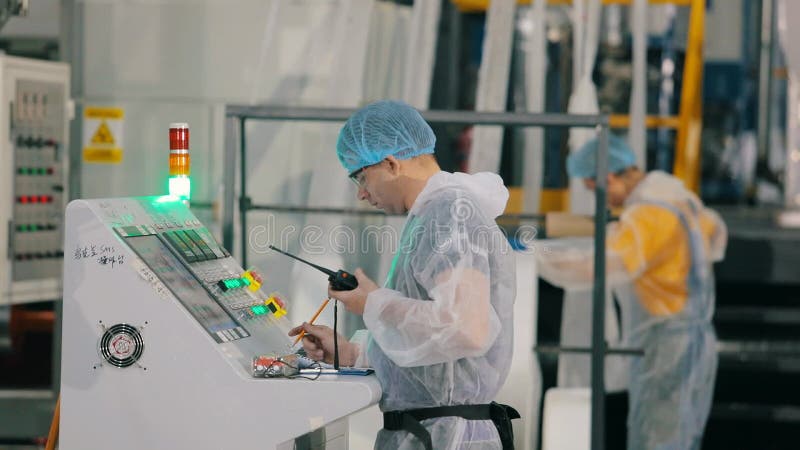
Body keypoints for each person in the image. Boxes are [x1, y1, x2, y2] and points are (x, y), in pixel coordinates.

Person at [288, 100, 519, 450]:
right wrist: (352, 353)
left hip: (446, 439)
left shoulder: (449, 213)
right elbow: (440, 362)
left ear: (391, 163)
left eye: (361, 177)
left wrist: (375, 303)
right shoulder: (434, 216)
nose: (362, 194)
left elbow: (466, 329)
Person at [535, 134, 727, 449]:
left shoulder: (648, 216)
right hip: (695, 339)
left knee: (657, 437)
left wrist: (533, 257)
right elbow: (717, 237)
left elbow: (598, 267)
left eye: (596, 189)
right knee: (680, 437)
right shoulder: (679, 199)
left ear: (608, 176)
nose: (605, 201)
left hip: (668, 345)